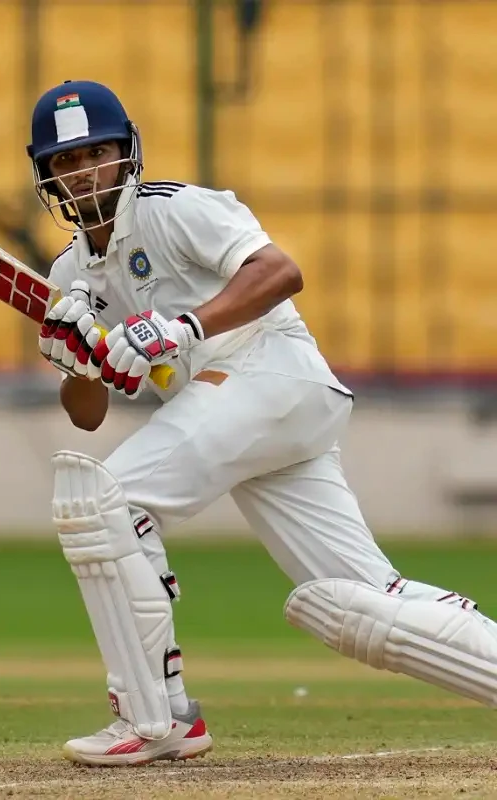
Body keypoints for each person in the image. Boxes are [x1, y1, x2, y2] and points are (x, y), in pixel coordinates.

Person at [26, 79, 497, 767]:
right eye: (66, 160)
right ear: (47, 176)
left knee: (103, 502)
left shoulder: (174, 209)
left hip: (267, 372)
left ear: (126, 152)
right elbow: (88, 414)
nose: (84, 171)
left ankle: (155, 717)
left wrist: (183, 327)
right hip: (251, 418)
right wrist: (76, 365)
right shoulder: (70, 272)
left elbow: (280, 271)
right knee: (365, 603)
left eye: (97, 152)